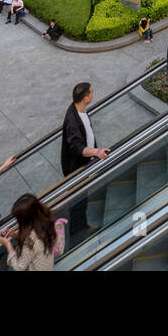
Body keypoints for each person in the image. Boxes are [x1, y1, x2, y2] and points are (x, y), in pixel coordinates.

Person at [60, 82, 109, 234]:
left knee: (82, 198)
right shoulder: (72, 120)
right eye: (91, 92)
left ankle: (81, 227)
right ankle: (78, 232)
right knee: (78, 201)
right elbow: (78, 148)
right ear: (86, 98)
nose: (93, 94)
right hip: (76, 168)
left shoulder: (79, 110)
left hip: (83, 164)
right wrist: (96, 152)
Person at [0, 193, 57, 271]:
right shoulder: (45, 224)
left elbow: (19, 266)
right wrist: (14, 235)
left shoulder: (31, 242)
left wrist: (7, 244)